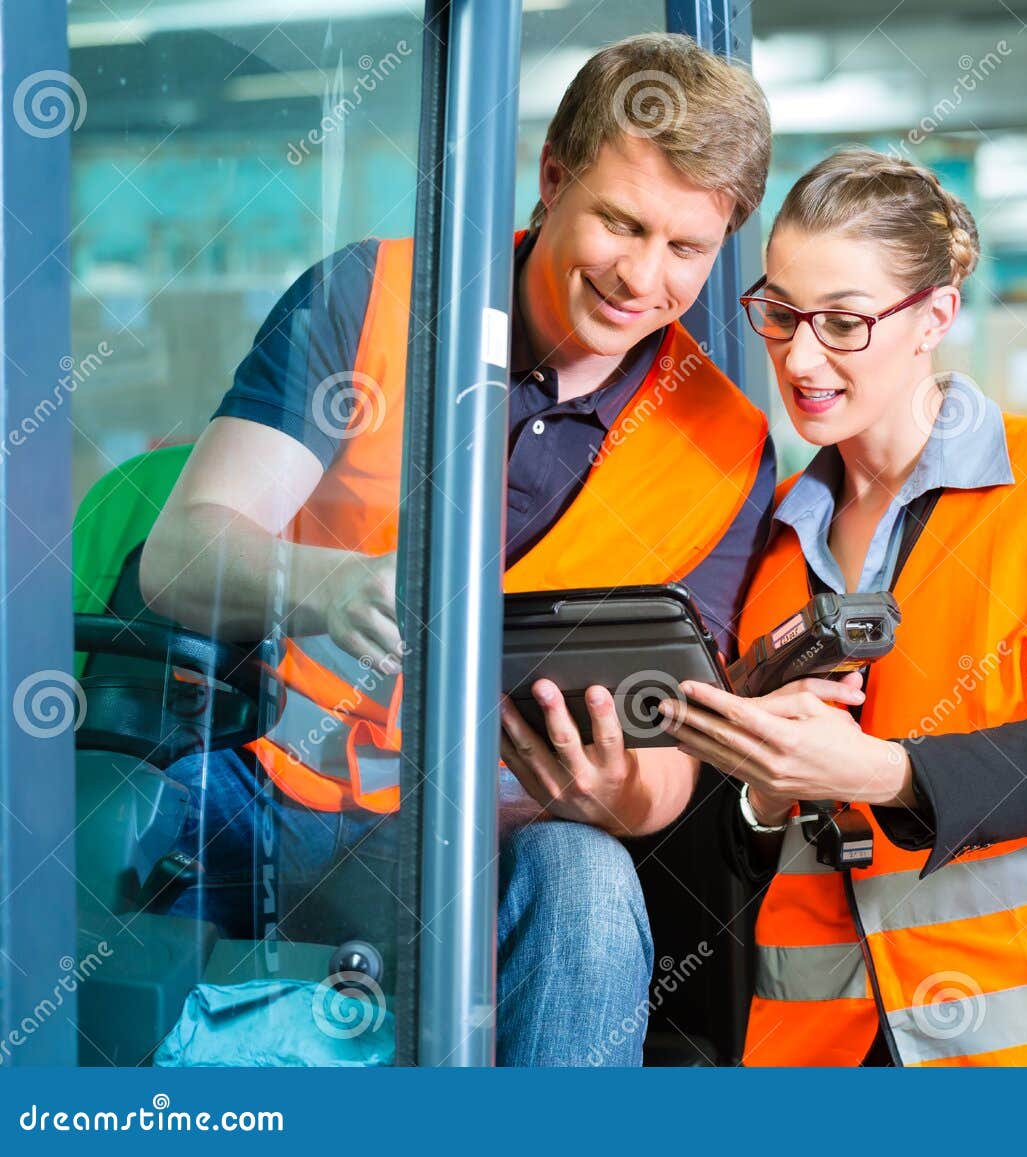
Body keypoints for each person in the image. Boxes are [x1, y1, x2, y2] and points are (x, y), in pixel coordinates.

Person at [138, 33, 775, 1066]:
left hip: (483, 836)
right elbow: (181, 555)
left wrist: (607, 787)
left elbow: (664, 776)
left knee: (584, 875)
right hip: (264, 797)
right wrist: (326, 583)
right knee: (72, 842)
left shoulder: (721, 443)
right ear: (553, 178)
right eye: (620, 222)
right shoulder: (373, 300)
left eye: (685, 249)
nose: (642, 277)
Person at [660, 148, 1027, 1067]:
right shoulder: (763, 540)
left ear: (935, 317)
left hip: (1023, 1042)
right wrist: (764, 791)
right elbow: (717, 842)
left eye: (844, 323)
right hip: (816, 1048)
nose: (800, 357)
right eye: (780, 314)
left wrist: (881, 769)